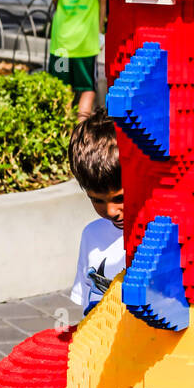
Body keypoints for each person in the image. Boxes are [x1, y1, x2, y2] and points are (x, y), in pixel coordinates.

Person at [43, 0, 106, 119]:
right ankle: (79, 134)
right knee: (87, 88)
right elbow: (102, 1)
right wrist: (101, 30)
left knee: (62, 87)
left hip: (62, 43)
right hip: (86, 44)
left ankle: (60, 131)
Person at [69, 110, 125, 314]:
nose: (110, 211)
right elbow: (86, 300)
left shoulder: (162, 236)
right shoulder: (91, 235)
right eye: (97, 200)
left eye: (120, 198)